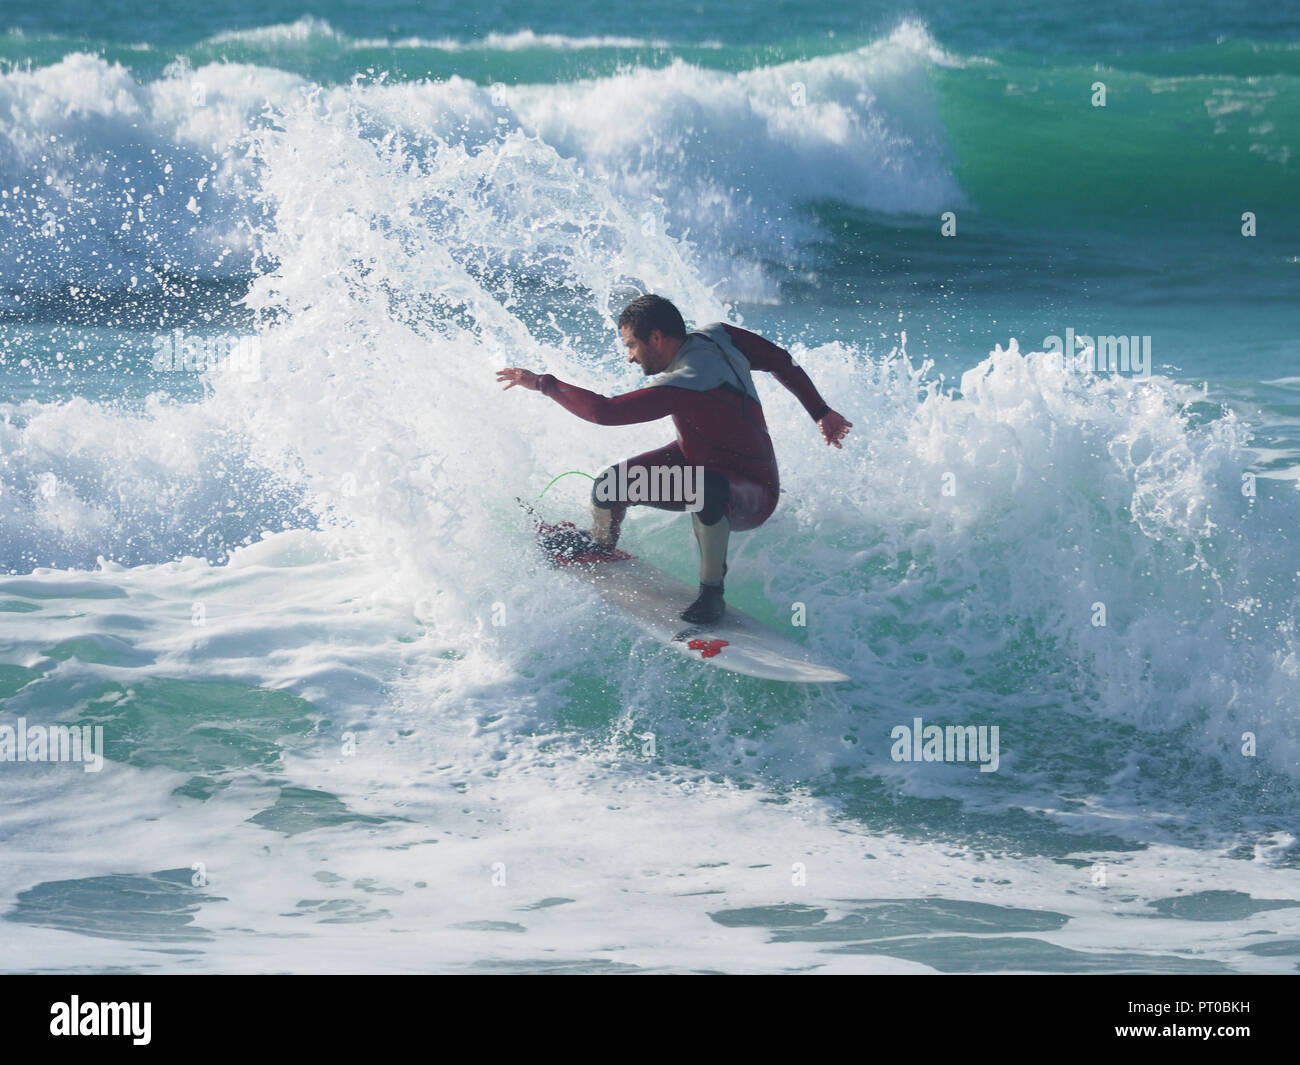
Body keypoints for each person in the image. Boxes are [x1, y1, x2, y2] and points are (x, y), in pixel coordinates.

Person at [496, 294, 852, 624]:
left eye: (631, 345)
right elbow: (781, 360)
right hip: (696, 460)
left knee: (707, 489)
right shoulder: (720, 336)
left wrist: (542, 383)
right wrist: (820, 411)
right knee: (610, 485)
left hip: (752, 493)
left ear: (656, 338)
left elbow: (603, 412)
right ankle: (600, 545)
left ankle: (712, 594)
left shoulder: (689, 379)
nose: (629, 356)